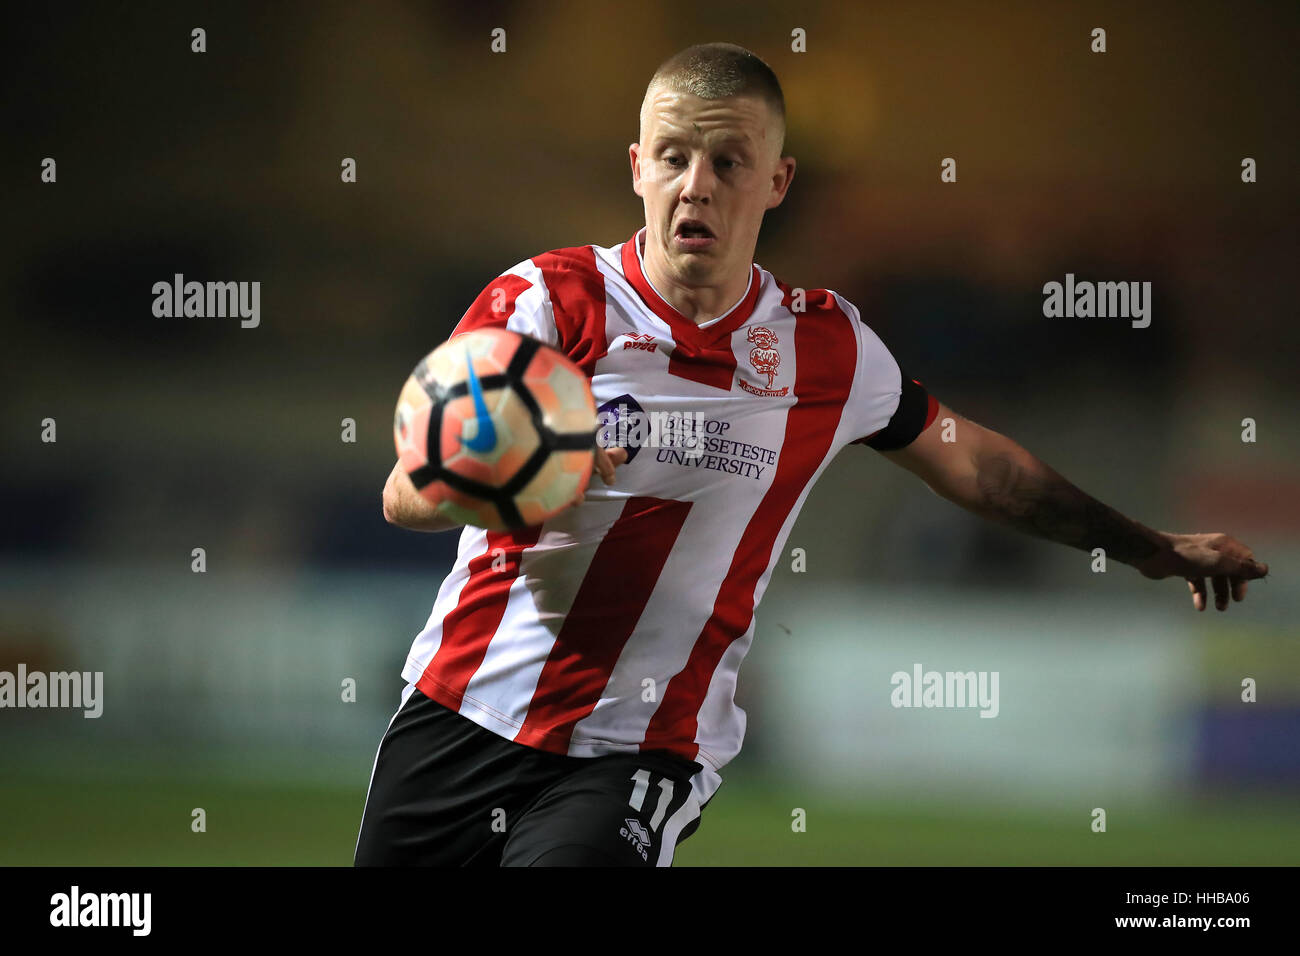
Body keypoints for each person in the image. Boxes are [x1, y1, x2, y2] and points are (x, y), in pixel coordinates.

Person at [355, 42, 1268, 867]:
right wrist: (523, 463)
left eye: (728, 162)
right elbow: (407, 494)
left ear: (779, 181)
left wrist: (1148, 546)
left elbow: (980, 468)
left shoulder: (826, 352)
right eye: (672, 157)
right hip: (458, 717)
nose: (696, 185)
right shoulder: (544, 307)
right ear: (637, 168)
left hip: (640, 749)